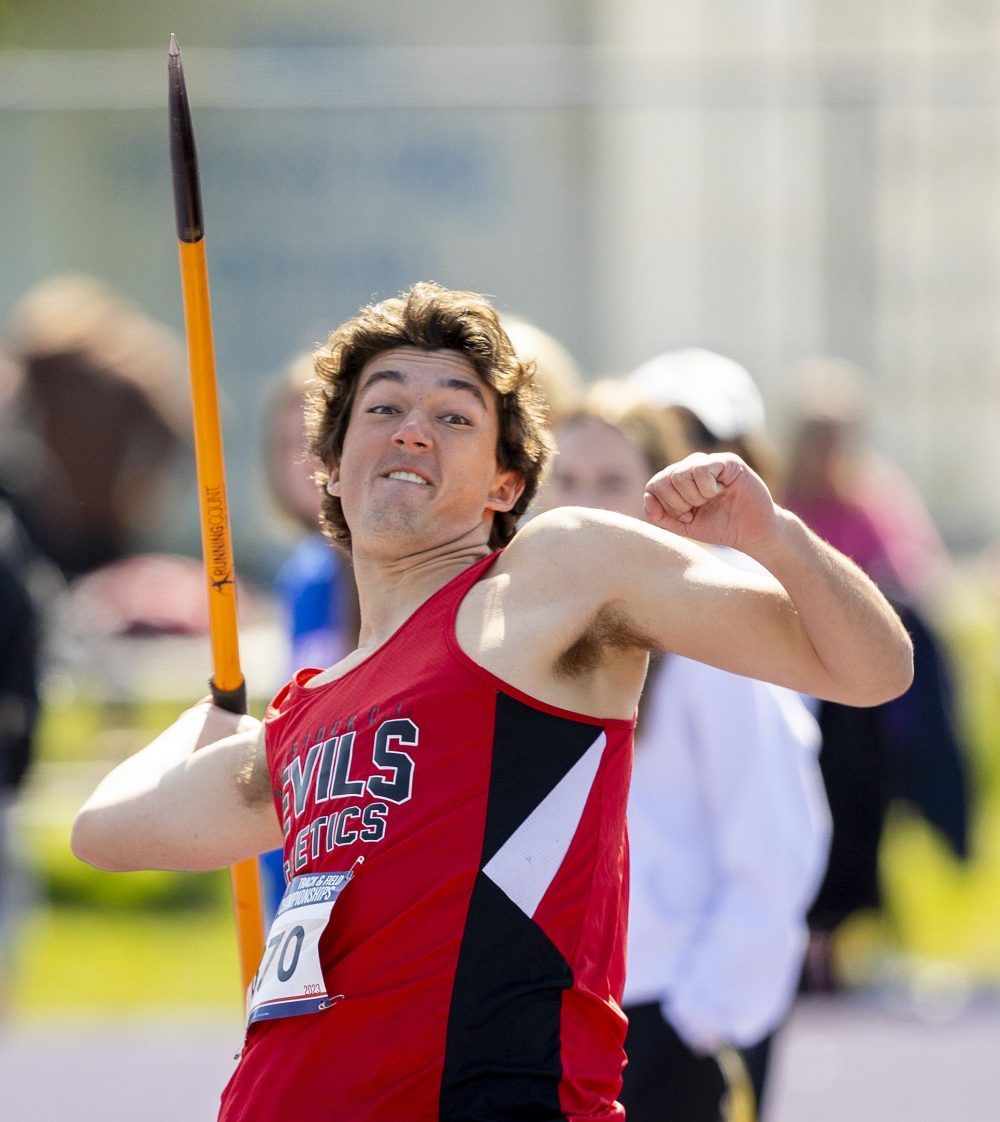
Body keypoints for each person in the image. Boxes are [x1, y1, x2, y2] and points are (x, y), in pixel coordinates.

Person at [72, 283, 912, 1122]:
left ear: (508, 485)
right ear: (325, 465)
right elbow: (104, 832)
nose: (411, 427)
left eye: (454, 417)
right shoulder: (302, 720)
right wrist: (207, 722)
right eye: (385, 406)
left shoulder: (549, 578)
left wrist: (773, 537)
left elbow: (873, 669)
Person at [540, 397, 829, 1121]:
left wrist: (702, 1016)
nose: (583, 504)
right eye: (564, 479)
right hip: (551, 1025)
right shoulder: (521, 644)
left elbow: (777, 840)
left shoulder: (712, 647)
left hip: (669, 1023)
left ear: (660, 504)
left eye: (612, 482)